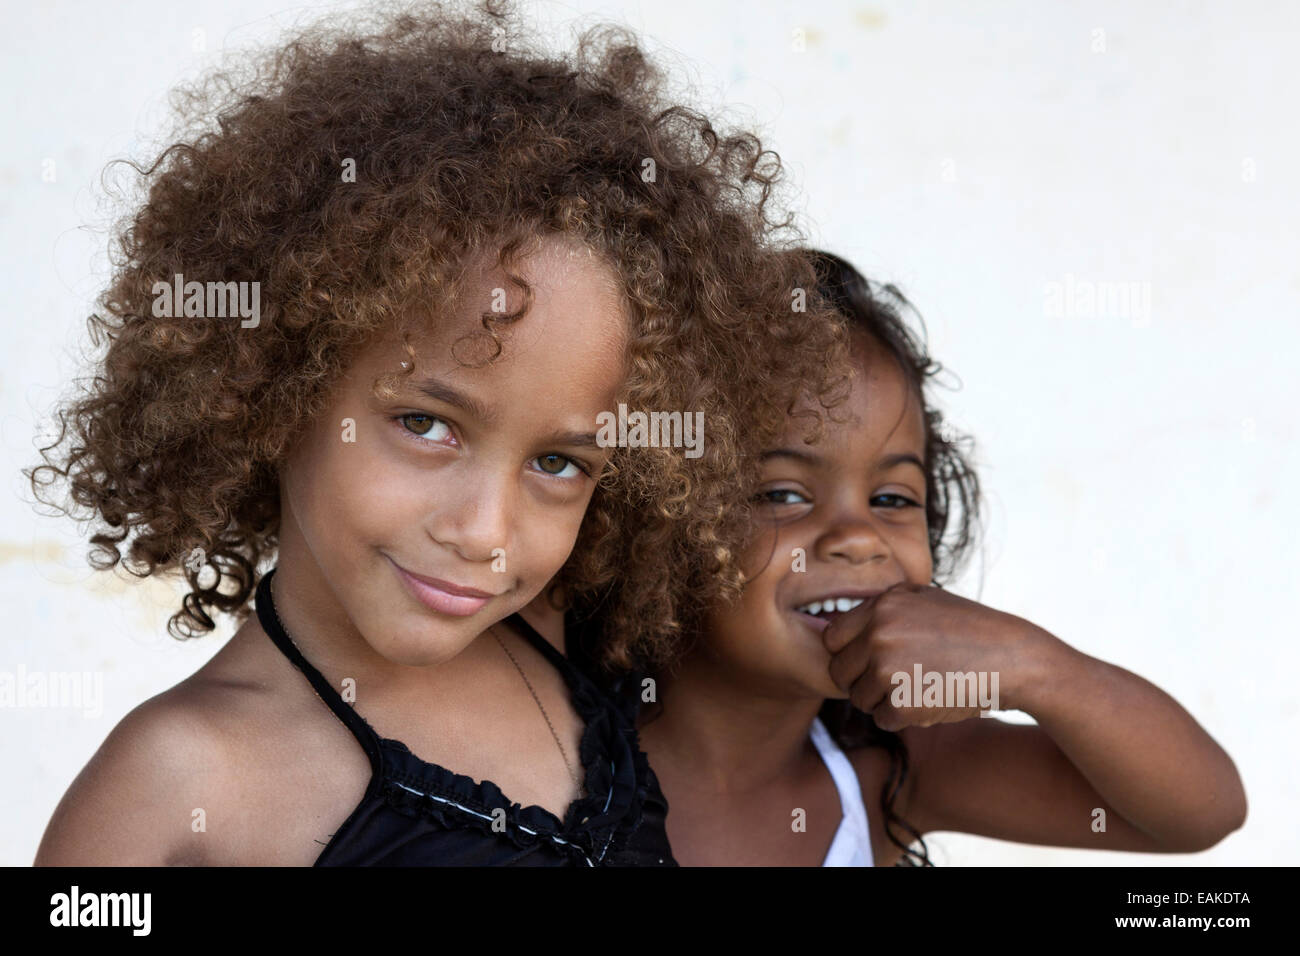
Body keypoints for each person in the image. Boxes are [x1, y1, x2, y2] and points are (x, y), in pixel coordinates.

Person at [27, 2, 846, 866]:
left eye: (560, 462)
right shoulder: (179, 783)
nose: (486, 532)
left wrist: (1006, 667)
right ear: (265, 383)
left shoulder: (561, 636)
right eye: (426, 424)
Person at [630, 249, 1248, 865]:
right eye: (783, 494)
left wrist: (1031, 666)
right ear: (663, 512)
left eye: (892, 498)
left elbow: (1204, 812)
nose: (860, 536)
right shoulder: (554, 748)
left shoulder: (893, 767)